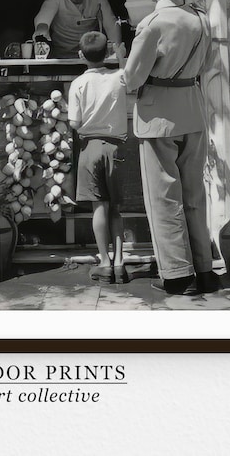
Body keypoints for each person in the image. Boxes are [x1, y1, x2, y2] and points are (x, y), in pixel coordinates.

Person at [120, 0, 219, 296]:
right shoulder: (200, 20)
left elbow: (133, 77)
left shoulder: (153, 24)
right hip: (192, 112)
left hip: (159, 117)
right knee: (194, 195)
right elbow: (208, 64)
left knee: (164, 198)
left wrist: (121, 70)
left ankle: (178, 274)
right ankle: (205, 269)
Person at [67, 31, 128, 284]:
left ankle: (104, 262)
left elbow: (74, 121)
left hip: (89, 148)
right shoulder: (119, 77)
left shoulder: (78, 84)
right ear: (108, 53)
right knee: (116, 208)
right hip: (116, 147)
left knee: (99, 206)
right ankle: (120, 263)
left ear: (81, 55)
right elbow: (131, 75)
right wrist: (122, 59)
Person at [33, 0, 124, 60]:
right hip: (61, 56)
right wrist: (42, 28)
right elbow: (43, 19)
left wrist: (117, 54)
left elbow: (111, 25)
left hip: (91, 56)